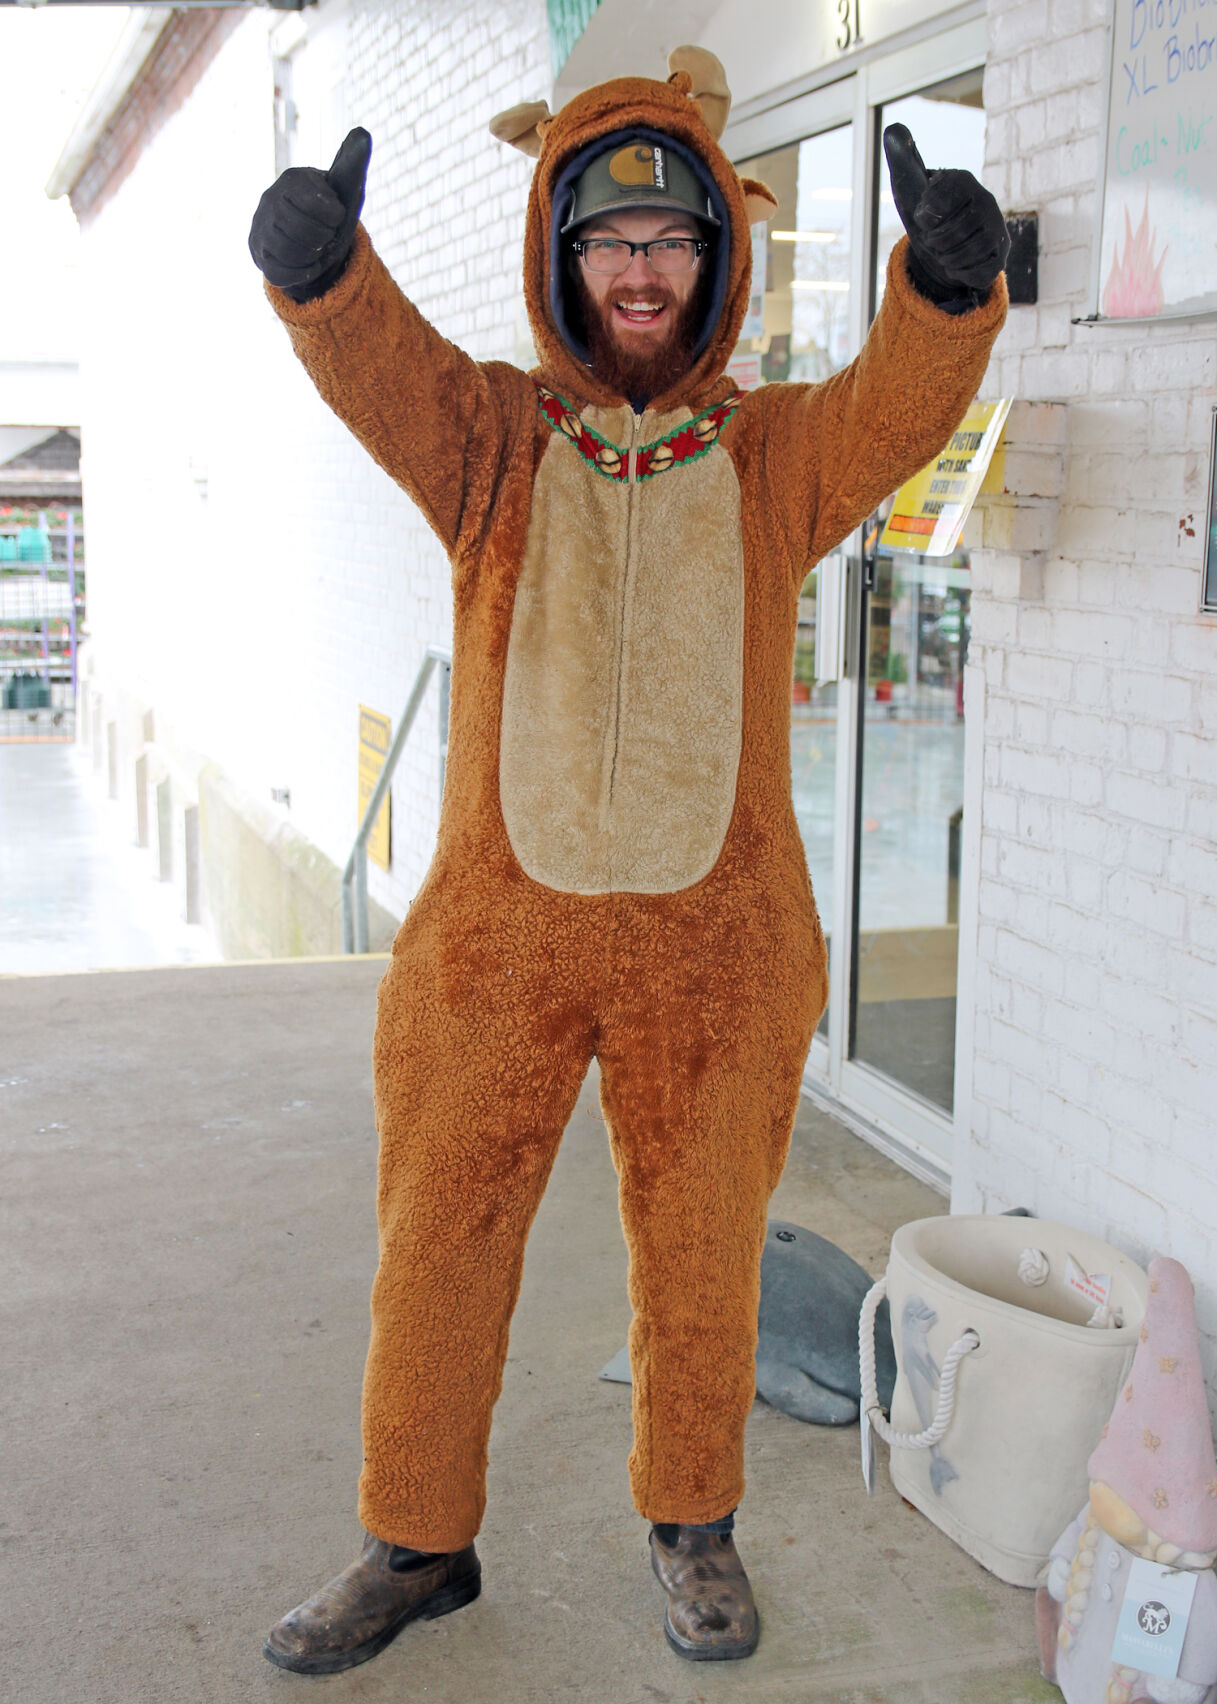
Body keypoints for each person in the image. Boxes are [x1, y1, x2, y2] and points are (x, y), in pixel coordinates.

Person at [248, 44, 1008, 1672]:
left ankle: (692, 1529)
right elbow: (375, 368)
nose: (641, 269)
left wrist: (944, 298)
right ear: (561, 257)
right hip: (496, 940)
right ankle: (412, 1539)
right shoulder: (490, 446)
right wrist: (322, 277)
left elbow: (895, 402)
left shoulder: (772, 454)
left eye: (669, 240)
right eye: (608, 240)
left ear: (716, 260)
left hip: (713, 941)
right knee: (438, 1231)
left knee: (701, 1254)